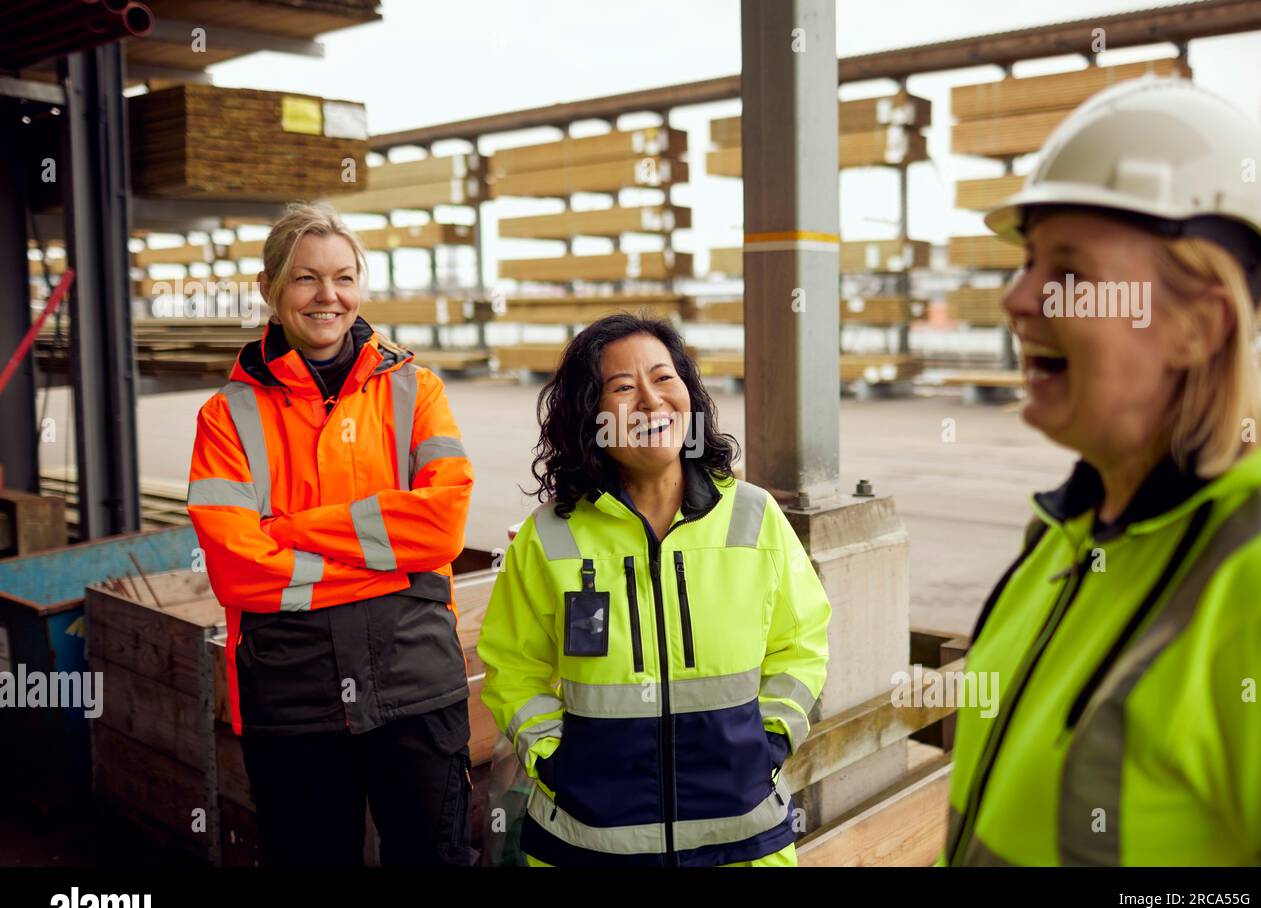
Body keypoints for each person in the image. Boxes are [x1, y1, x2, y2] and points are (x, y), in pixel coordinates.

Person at [943, 77, 1261, 866]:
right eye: (1028, 259)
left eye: (1066, 271)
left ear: (1198, 324)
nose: (1017, 296)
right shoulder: (1064, 533)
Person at [477, 313, 830, 867]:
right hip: (590, 845)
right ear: (589, 415)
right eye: (622, 388)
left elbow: (801, 645)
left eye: (664, 378)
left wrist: (767, 746)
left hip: (740, 840)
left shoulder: (755, 517)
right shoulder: (550, 537)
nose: (650, 401)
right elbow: (513, 669)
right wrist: (554, 762)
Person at [186, 202, 476, 867]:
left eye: (344, 277)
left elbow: (440, 527)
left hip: (415, 687)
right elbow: (239, 569)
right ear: (270, 290)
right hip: (293, 699)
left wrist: (289, 533)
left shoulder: (415, 389)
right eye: (305, 279)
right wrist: (387, 562)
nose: (328, 296)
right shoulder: (226, 418)